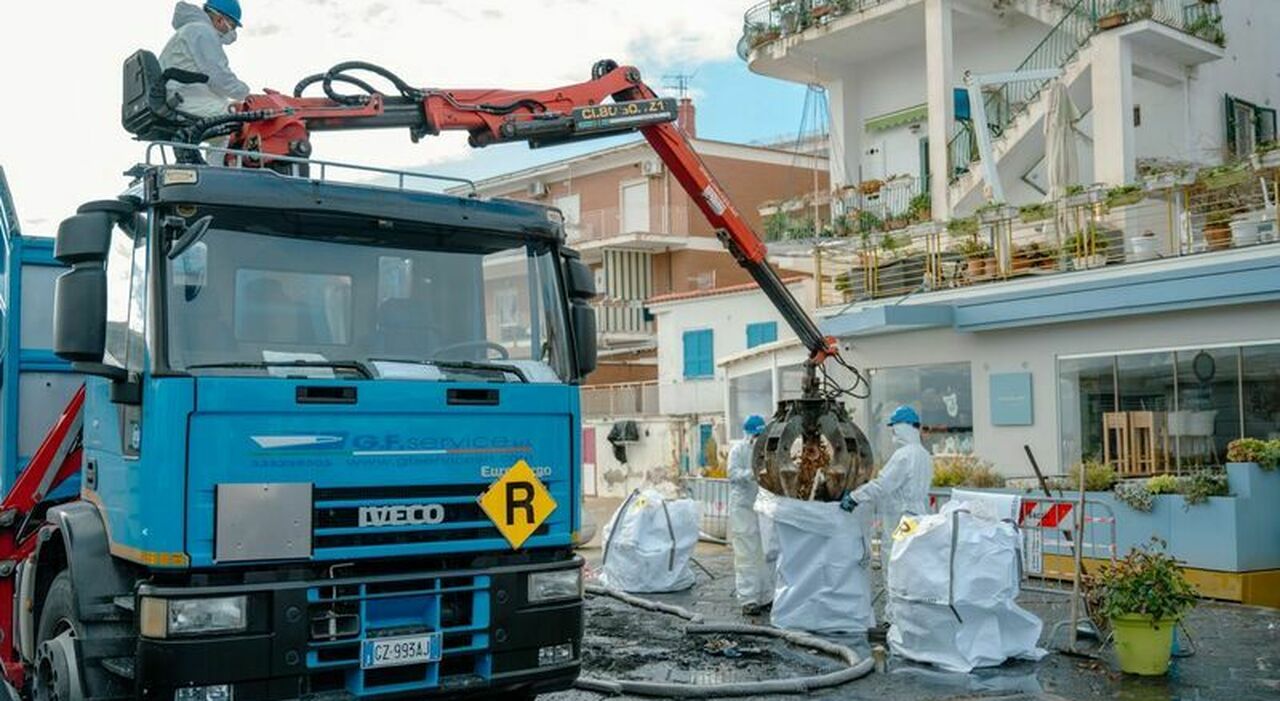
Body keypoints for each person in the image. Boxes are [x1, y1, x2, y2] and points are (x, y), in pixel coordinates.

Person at [840, 405, 933, 562]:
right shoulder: (924, 454)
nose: (893, 434)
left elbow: (882, 485)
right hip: (919, 514)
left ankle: (894, 587)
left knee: (895, 555)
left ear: (903, 428)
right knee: (912, 557)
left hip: (902, 517)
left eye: (894, 429)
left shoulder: (904, 455)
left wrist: (855, 497)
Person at [159, 1, 250, 119]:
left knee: (235, 114)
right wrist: (248, 95)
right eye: (232, 26)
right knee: (244, 119)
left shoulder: (191, 30)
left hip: (179, 97)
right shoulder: (203, 31)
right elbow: (219, 77)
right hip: (185, 100)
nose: (232, 32)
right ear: (219, 20)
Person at [728, 415, 773, 616]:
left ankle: (766, 596)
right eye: (755, 434)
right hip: (743, 508)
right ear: (748, 434)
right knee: (746, 553)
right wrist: (752, 474)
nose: (757, 438)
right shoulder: (738, 450)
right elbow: (732, 474)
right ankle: (748, 599)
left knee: (765, 552)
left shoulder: (765, 450)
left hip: (761, 506)